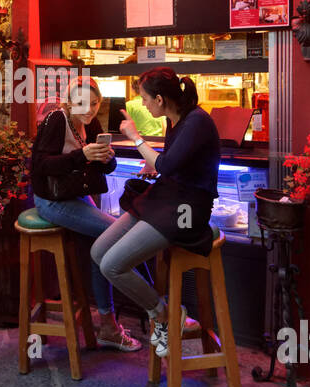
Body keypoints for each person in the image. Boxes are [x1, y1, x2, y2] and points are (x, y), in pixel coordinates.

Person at [91, 67, 220, 359]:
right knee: (99, 252)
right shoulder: (176, 120)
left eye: (146, 100)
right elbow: (173, 164)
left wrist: (136, 138)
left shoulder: (196, 121)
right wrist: (155, 165)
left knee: (112, 265)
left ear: (160, 99)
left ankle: (163, 315)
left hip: (187, 209)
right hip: (166, 196)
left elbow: (166, 164)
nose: (145, 106)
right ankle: (163, 311)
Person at [31, 77, 141, 351]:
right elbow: (40, 165)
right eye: (82, 103)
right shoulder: (57, 120)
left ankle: (109, 324)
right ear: (70, 102)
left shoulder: (90, 124)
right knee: (114, 233)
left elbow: (104, 168)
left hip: (76, 196)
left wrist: (106, 157)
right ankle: (149, 306)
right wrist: (82, 155)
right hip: (51, 200)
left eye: (94, 103)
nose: (89, 109)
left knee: (102, 244)